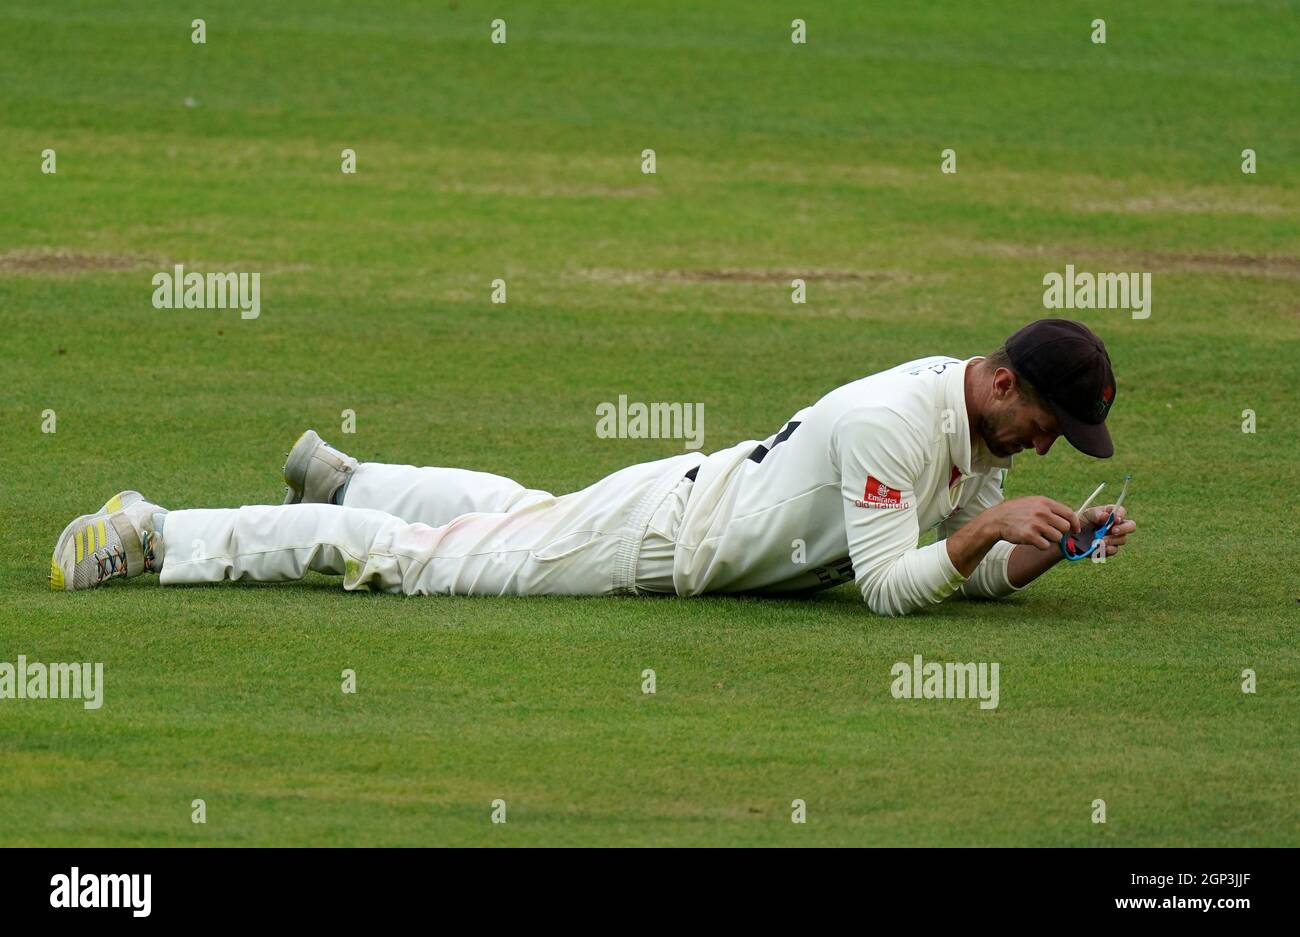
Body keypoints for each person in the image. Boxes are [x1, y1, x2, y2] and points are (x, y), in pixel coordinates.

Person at [50, 318, 1136, 616]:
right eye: (1047, 424)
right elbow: (894, 588)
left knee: (519, 512)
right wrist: (984, 532)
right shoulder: (895, 422)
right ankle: (161, 531)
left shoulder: (968, 429)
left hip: (685, 501)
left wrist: (1036, 544)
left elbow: (962, 567)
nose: (1046, 447)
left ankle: (349, 478)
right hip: (661, 541)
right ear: (1002, 387)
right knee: (426, 565)